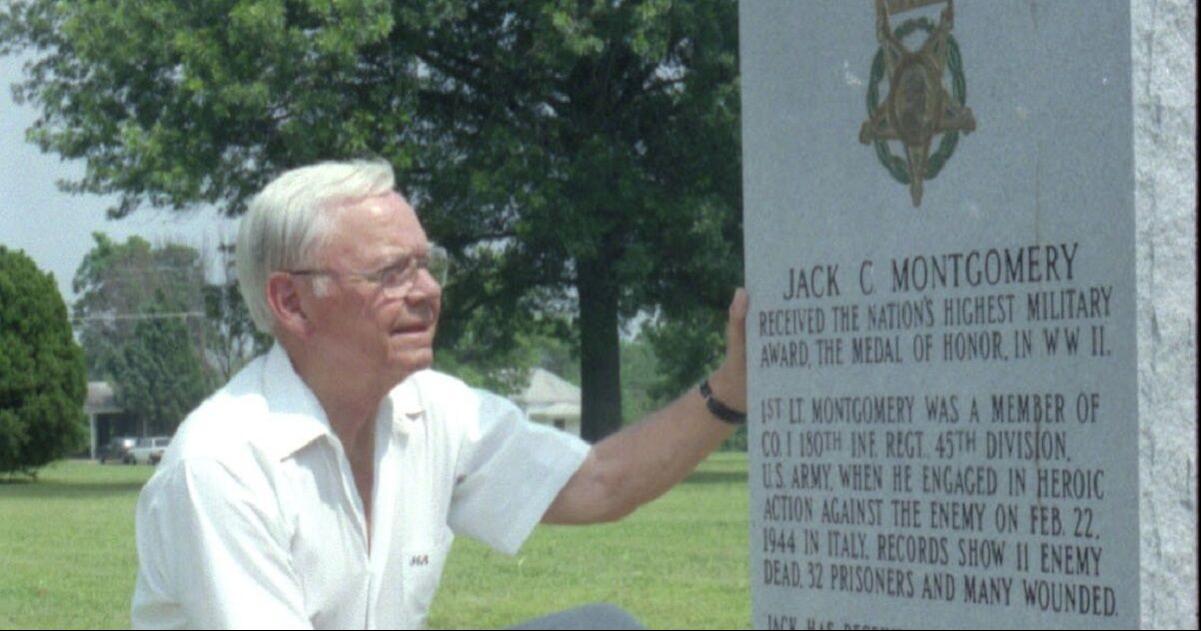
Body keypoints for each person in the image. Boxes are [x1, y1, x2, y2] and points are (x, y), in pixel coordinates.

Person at [131, 160, 748, 629]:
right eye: (389, 273)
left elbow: (600, 481)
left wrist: (731, 390)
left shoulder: (434, 411)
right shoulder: (222, 465)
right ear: (290, 302)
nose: (426, 291)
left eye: (427, 265)